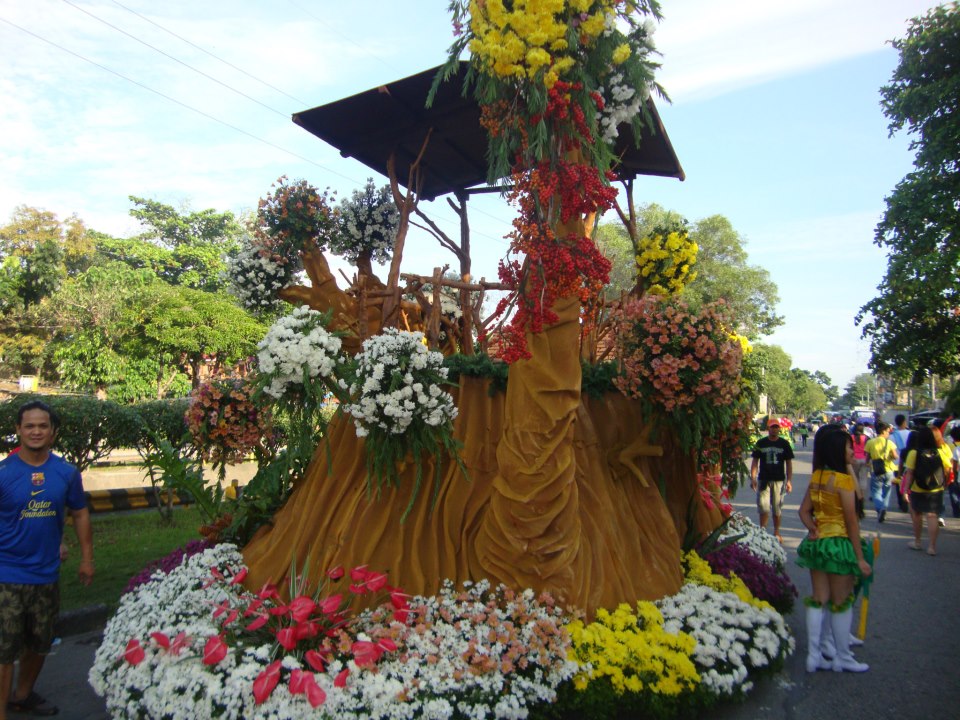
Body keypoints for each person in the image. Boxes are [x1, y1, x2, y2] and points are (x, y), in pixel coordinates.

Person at [0, 401, 94, 718]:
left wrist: (86, 559)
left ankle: (22, 695)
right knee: (4, 650)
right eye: (29, 426)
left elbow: (79, 513)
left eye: (42, 426)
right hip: (6, 574)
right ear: (18, 430)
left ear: (52, 432)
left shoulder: (65, 473)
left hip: (46, 574)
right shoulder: (4, 473)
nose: (36, 431)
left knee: (40, 642)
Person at [797, 424, 872, 673]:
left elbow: (803, 511)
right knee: (841, 601)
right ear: (838, 450)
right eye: (849, 447)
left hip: (818, 545)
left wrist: (813, 529)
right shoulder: (843, 481)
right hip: (839, 545)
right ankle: (842, 657)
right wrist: (860, 558)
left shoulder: (817, 477)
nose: (852, 451)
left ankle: (814, 655)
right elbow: (852, 521)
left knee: (818, 598)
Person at [901, 425, 951, 556]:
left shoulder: (914, 453)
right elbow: (948, 468)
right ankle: (932, 547)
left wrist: (906, 490)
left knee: (917, 514)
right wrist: (944, 482)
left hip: (918, 488)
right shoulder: (940, 452)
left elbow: (910, 473)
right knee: (932, 515)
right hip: (936, 488)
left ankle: (917, 542)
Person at [750, 418, 794, 542]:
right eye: (772, 427)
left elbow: (789, 463)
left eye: (776, 427)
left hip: (779, 480)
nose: (774, 429)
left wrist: (789, 481)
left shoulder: (784, 444)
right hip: (764, 479)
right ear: (768, 428)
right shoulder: (761, 443)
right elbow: (755, 461)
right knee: (763, 507)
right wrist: (753, 478)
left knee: (777, 507)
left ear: (779, 429)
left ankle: (776, 531)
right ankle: (762, 531)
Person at [864, 422, 899, 523]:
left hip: (876, 470)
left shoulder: (870, 442)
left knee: (876, 491)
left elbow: (867, 457)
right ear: (883, 431)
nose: (888, 433)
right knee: (887, 492)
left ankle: (880, 508)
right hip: (889, 470)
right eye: (887, 431)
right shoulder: (890, 443)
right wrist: (891, 456)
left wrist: (867, 463)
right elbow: (895, 456)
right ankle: (884, 508)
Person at [849, 423, 869, 511]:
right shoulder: (866, 438)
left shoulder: (851, 438)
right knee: (863, 478)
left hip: (854, 460)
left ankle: (855, 495)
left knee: (855, 478)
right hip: (864, 459)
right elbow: (868, 450)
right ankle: (862, 495)